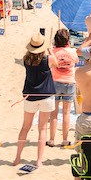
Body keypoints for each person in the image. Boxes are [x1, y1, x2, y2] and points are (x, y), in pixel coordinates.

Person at [14, 30, 56, 172]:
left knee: (25, 127)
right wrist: (49, 49)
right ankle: (39, 160)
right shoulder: (47, 59)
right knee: (42, 128)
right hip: (46, 95)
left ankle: (17, 157)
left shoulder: (26, 59)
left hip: (30, 95)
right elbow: (55, 63)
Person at [48, 29, 79, 147]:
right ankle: (65, 139)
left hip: (55, 81)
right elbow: (76, 60)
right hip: (69, 82)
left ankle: (51, 139)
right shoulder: (72, 51)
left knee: (54, 113)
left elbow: (51, 63)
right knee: (66, 113)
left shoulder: (53, 52)